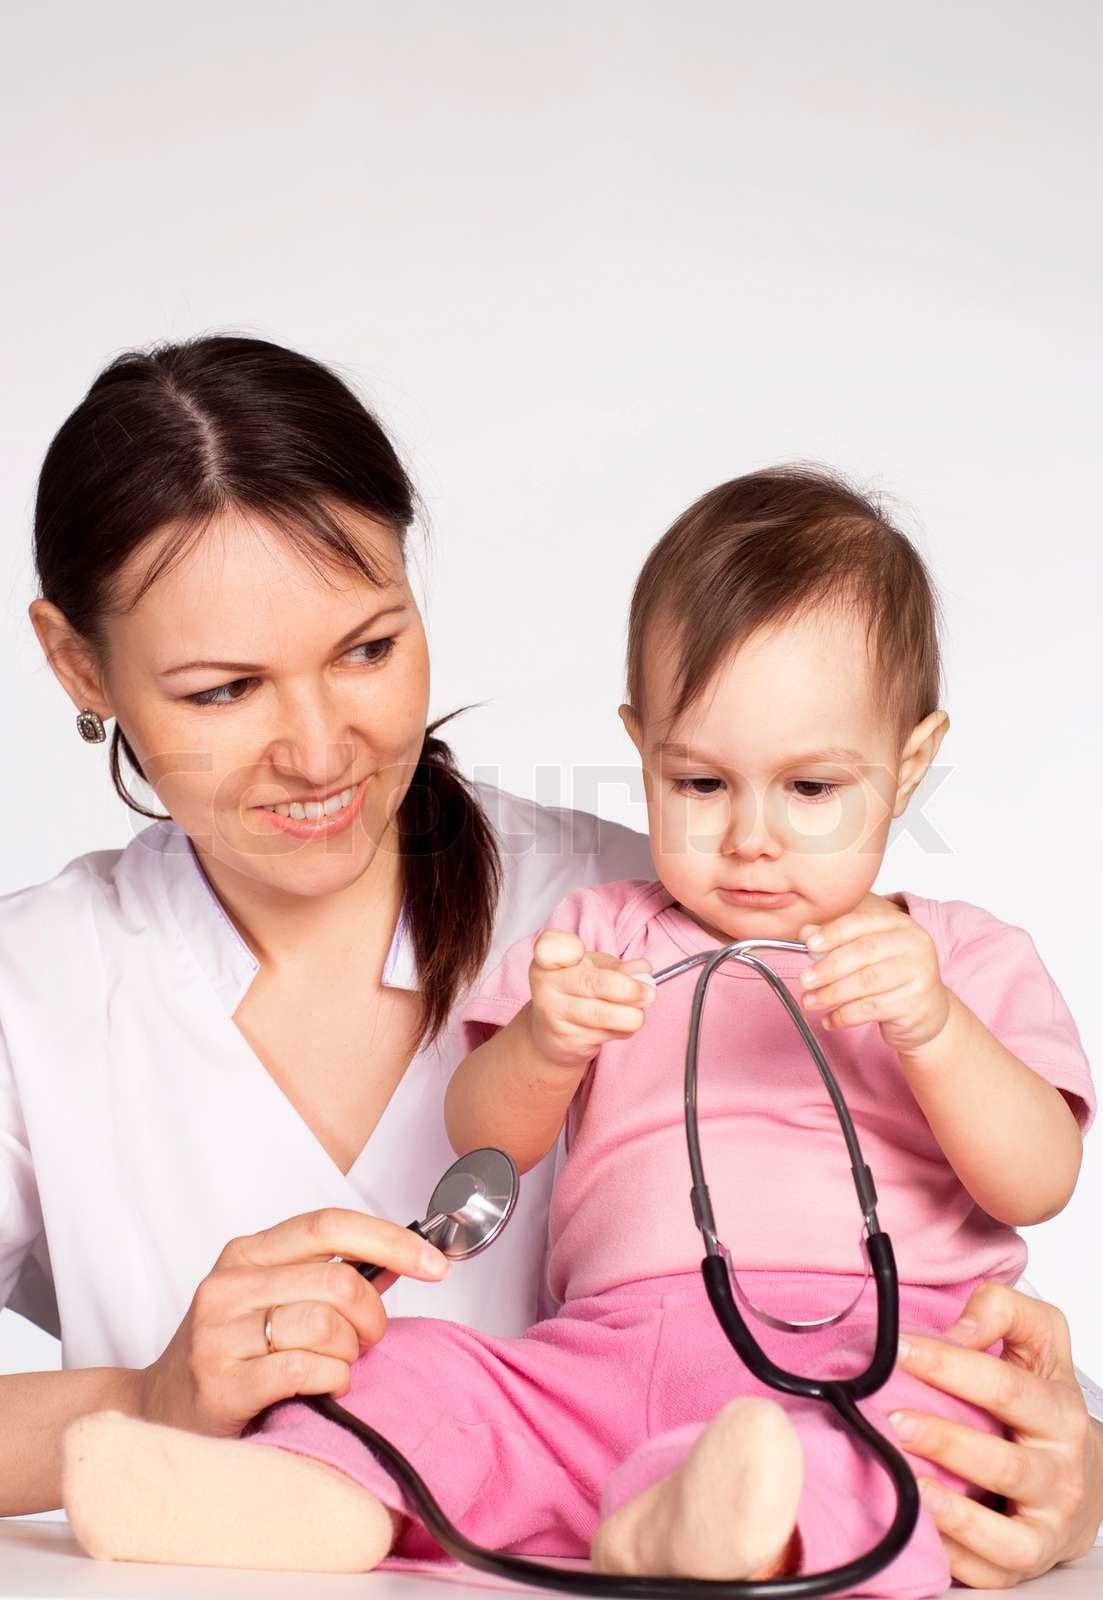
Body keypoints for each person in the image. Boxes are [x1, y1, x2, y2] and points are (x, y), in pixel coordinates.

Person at [0, 340, 1097, 1587]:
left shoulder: (687, 899)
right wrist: (147, 1395)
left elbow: (946, 1279)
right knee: (411, 1383)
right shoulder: (33, 985)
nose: (317, 749)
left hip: (775, 1457)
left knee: (815, 1455)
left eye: (365, 647)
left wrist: (1080, 1466)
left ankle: (699, 1519)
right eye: (224, 688)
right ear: (79, 664)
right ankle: (285, 1495)